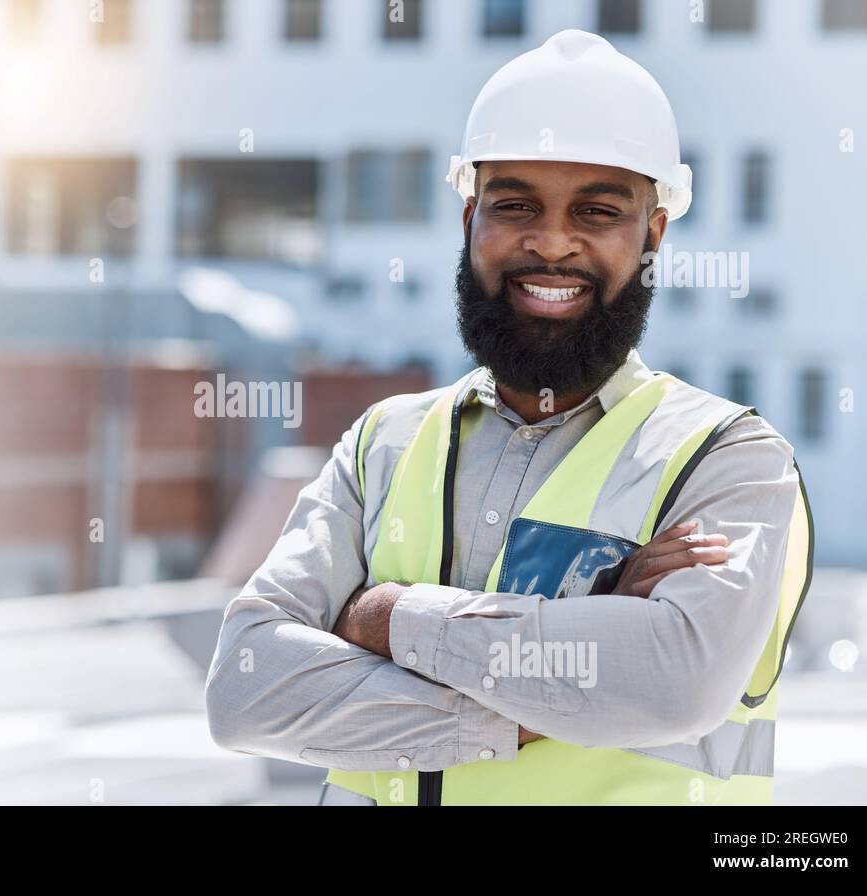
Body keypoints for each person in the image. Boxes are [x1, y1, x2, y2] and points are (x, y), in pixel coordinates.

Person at [203, 30, 812, 806]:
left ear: (652, 237)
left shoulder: (730, 459)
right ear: (470, 221)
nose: (552, 241)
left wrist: (385, 616)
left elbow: (670, 681)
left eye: (596, 210)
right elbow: (245, 690)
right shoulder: (381, 445)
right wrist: (548, 686)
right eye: (516, 204)